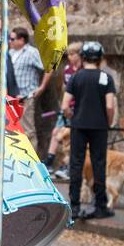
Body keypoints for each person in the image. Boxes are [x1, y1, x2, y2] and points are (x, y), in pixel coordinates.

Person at [62, 40, 116, 221]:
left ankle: (74, 206)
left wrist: (71, 116)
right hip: (99, 126)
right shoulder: (105, 78)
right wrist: (107, 121)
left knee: (76, 164)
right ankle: (100, 204)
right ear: (100, 58)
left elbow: (65, 105)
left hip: (79, 125)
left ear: (83, 57)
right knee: (98, 163)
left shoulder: (76, 77)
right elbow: (110, 106)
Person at [9, 25, 51, 147]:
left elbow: (48, 67)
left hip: (26, 96)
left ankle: (32, 161)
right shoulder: (9, 52)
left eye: (12, 39)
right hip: (11, 98)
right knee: (13, 131)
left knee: (28, 130)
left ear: (21, 40)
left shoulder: (32, 52)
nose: (10, 41)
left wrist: (42, 86)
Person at [44, 41, 81, 175]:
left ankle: (67, 165)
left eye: (73, 54)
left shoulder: (83, 71)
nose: (70, 57)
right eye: (68, 54)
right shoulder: (67, 70)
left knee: (70, 137)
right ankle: (49, 161)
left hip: (77, 109)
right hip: (66, 107)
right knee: (56, 132)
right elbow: (65, 90)